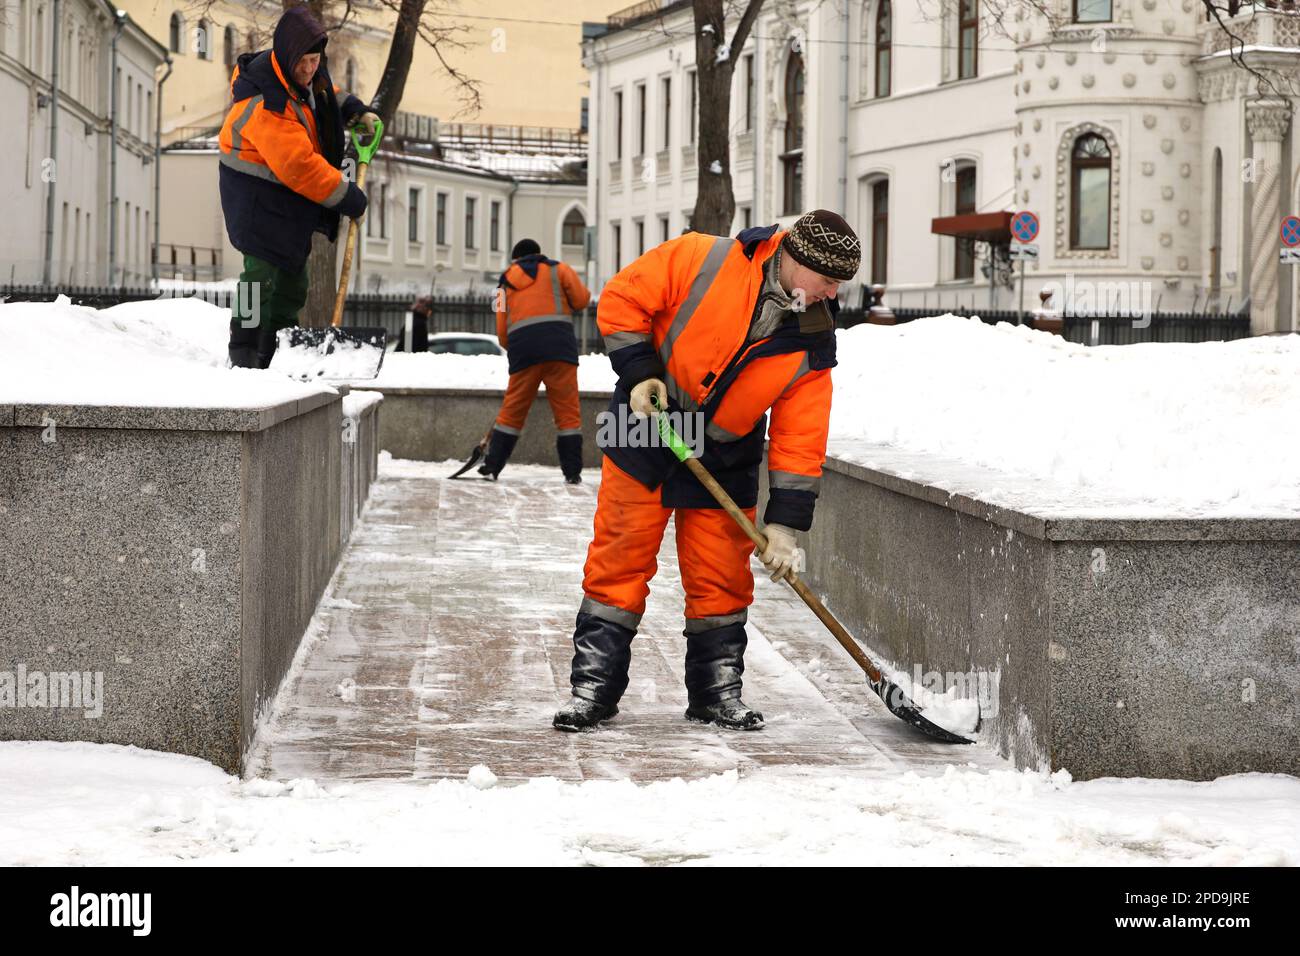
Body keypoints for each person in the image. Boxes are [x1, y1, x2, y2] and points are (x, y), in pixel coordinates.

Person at [552, 210, 861, 732]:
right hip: (647, 427)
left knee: (722, 577)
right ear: (794, 258)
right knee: (619, 560)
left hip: (725, 451)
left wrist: (784, 526)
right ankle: (593, 689)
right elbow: (623, 298)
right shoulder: (704, 256)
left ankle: (716, 693)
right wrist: (639, 372)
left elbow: (800, 434)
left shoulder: (813, 332)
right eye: (828, 280)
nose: (832, 294)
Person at [218, 4, 378, 368]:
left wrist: (355, 110)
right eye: (303, 62)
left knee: (293, 277)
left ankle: (281, 347)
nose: (309, 69)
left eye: (314, 60)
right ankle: (243, 350)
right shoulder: (268, 104)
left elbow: (323, 93)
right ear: (287, 57)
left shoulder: (300, 75)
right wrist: (348, 197)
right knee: (258, 277)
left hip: (286, 196)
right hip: (254, 195)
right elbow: (300, 167)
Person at [480, 239, 593, 483]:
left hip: (524, 352)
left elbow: (501, 330)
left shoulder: (502, 283)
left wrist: (518, 347)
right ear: (539, 254)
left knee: (512, 410)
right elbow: (583, 300)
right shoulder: (560, 270)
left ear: (515, 260)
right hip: (560, 348)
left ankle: (493, 465)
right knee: (568, 414)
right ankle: (572, 472)